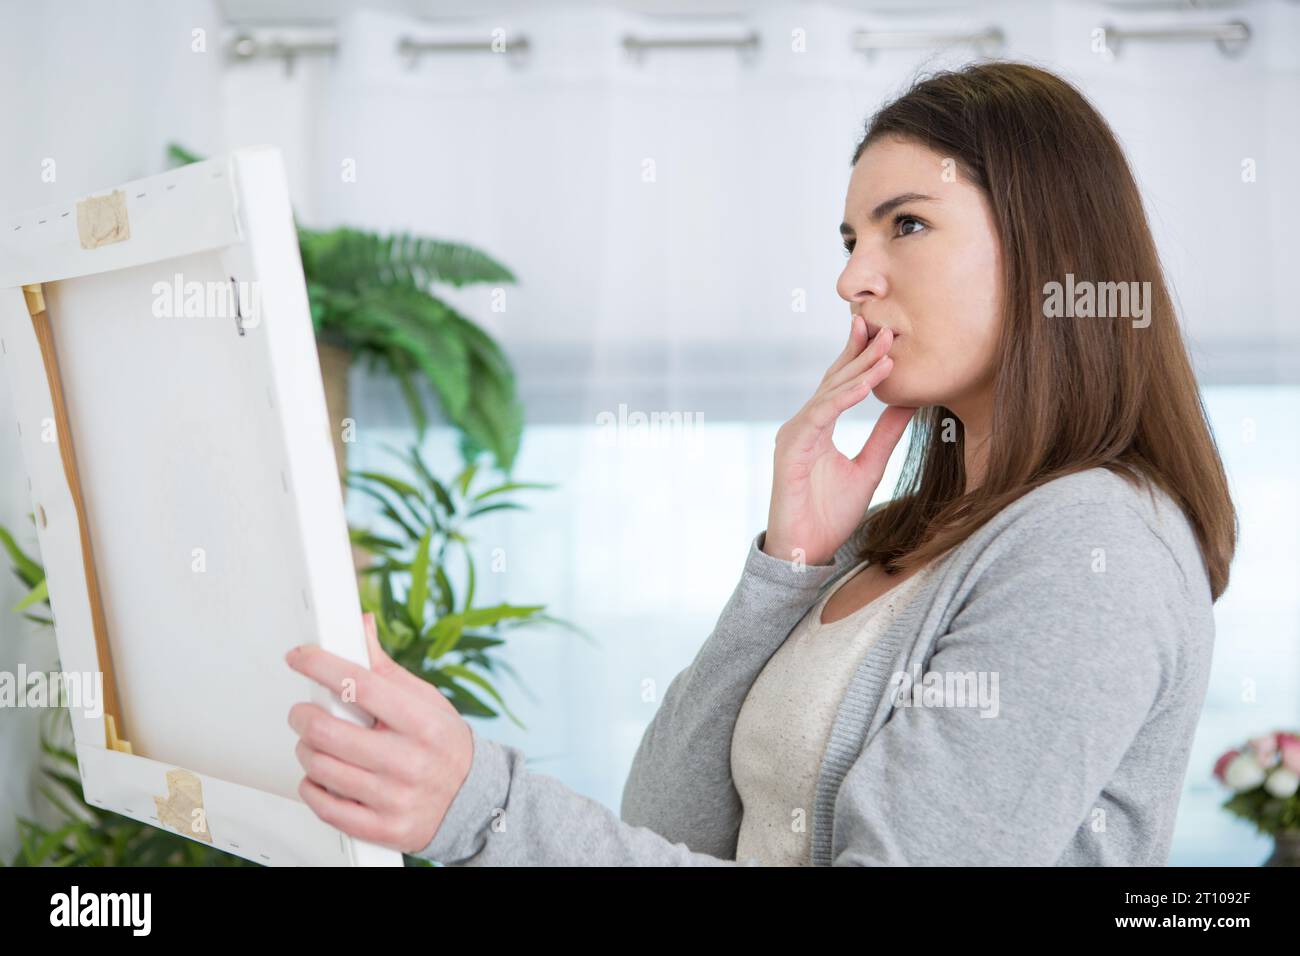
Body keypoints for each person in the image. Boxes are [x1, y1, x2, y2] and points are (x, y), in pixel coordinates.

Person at [285, 61, 1237, 866]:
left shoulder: (1093, 545)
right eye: (851, 239)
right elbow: (670, 825)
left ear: (1047, 246)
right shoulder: (897, 538)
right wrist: (788, 569)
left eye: (906, 224)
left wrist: (484, 808)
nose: (853, 277)